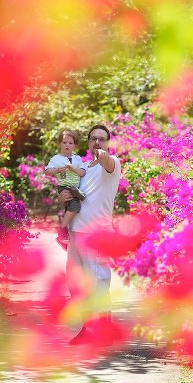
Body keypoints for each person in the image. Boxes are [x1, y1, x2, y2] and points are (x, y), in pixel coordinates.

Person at [58, 125, 122, 345]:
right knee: (76, 284)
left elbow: (106, 160)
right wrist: (63, 199)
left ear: (107, 143)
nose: (97, 142)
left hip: (97, 234)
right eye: (93, 138)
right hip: (76, 233)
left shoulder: (111, 165)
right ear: (87, 141)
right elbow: (74, 199)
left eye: (101, 139)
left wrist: (102, 154)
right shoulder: (83, 169)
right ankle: (87, 328)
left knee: (98, 282)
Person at [44, 129, 86, 250]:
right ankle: (62, 229)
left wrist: (73, 168)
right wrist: (57, 170)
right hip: (65, 187)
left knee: (72, 209)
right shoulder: (56, 159)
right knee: (75, 207)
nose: (67, 145)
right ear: (60, 144)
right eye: (64, 142)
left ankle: (64, 238)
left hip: (75, 187)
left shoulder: (77, 159)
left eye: (70, 143)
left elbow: (82, 173)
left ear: (75, 145)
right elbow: (47, 171)